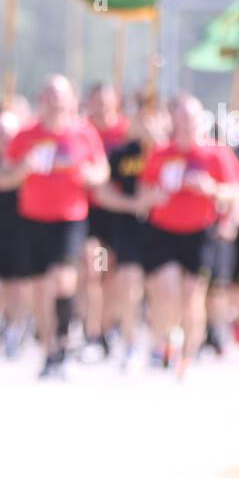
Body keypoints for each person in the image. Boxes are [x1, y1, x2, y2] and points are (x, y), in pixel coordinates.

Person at [0, 75, 109, 379]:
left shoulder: (84, 133)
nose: (56, 103)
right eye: (50, 96)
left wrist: (90, 175)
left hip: (70, 219)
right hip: (32, 219)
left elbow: (102, 171)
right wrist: (23, 169)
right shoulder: (25, 135)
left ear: (72, 101)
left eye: (62, 97)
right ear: (41, 101)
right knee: (41, 290)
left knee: (64, 281)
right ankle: (50, 353)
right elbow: (1, 177)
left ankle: (64, 339)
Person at [138, 94, 239, 379]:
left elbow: (236, 191)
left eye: (191, 118)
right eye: (181, 118)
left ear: (201, 121)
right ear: (173, 120)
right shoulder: (161, 153)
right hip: (164, 231)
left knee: (193, 296)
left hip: (201, 232)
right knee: (166, 291)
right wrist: (154, 196)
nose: (186, 124)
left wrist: (212, 190)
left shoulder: (216, 154)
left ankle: (188, 355)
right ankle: (165, 341)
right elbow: (142, 194)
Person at [93, 102, 170, 370]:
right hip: (127, 228)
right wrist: (132, 203)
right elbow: (102, 192)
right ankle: (129, 341)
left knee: (162, 287)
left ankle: (161, 343)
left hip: (165, 228)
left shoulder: (171, 151)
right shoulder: (121, 154)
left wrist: (157, 143)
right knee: (127, 282)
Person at [83, 83, 132, 359]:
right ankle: (93, 331)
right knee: (95, 269)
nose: (101, 106)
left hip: (120, 215)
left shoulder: (125, 132)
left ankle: (107, 326)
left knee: (111, 275)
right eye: (96, 101)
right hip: (91, 215)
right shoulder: (83, 131)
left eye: (106, 101)